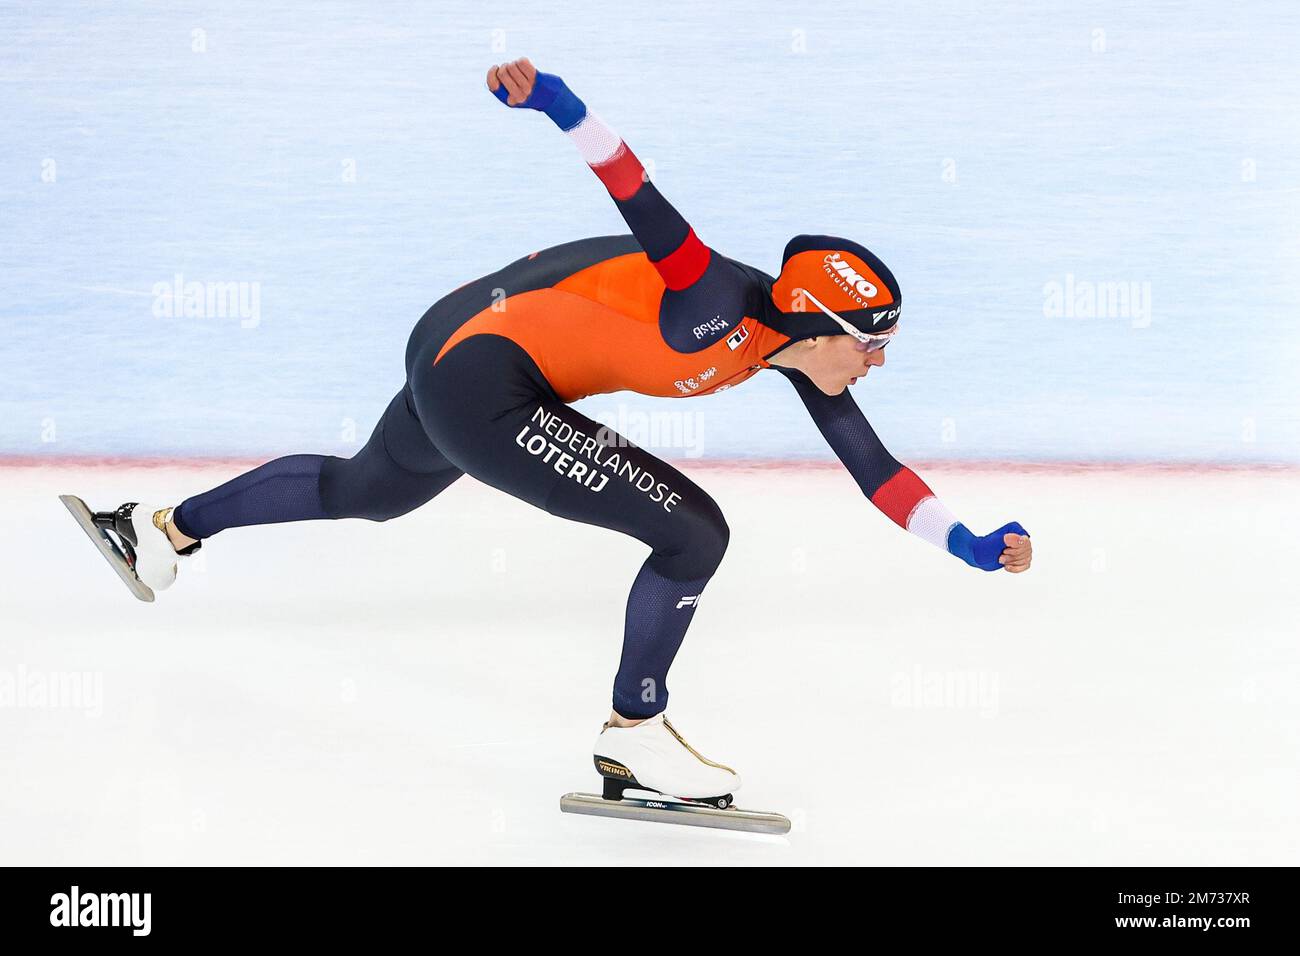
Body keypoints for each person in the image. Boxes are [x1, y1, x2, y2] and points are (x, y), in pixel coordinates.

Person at [80, 59, 1032, 811]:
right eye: (871, 346)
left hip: (462, 354)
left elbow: (876, 471)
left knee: (361, 494)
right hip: (481, 373)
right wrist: (557, 100)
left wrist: (972, 545)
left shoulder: (790, 357)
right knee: (694, 532)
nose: (875, 365)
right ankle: (634, 733)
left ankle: (158, 531)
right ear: (821, 326)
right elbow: (634, 187)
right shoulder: (708, 290)